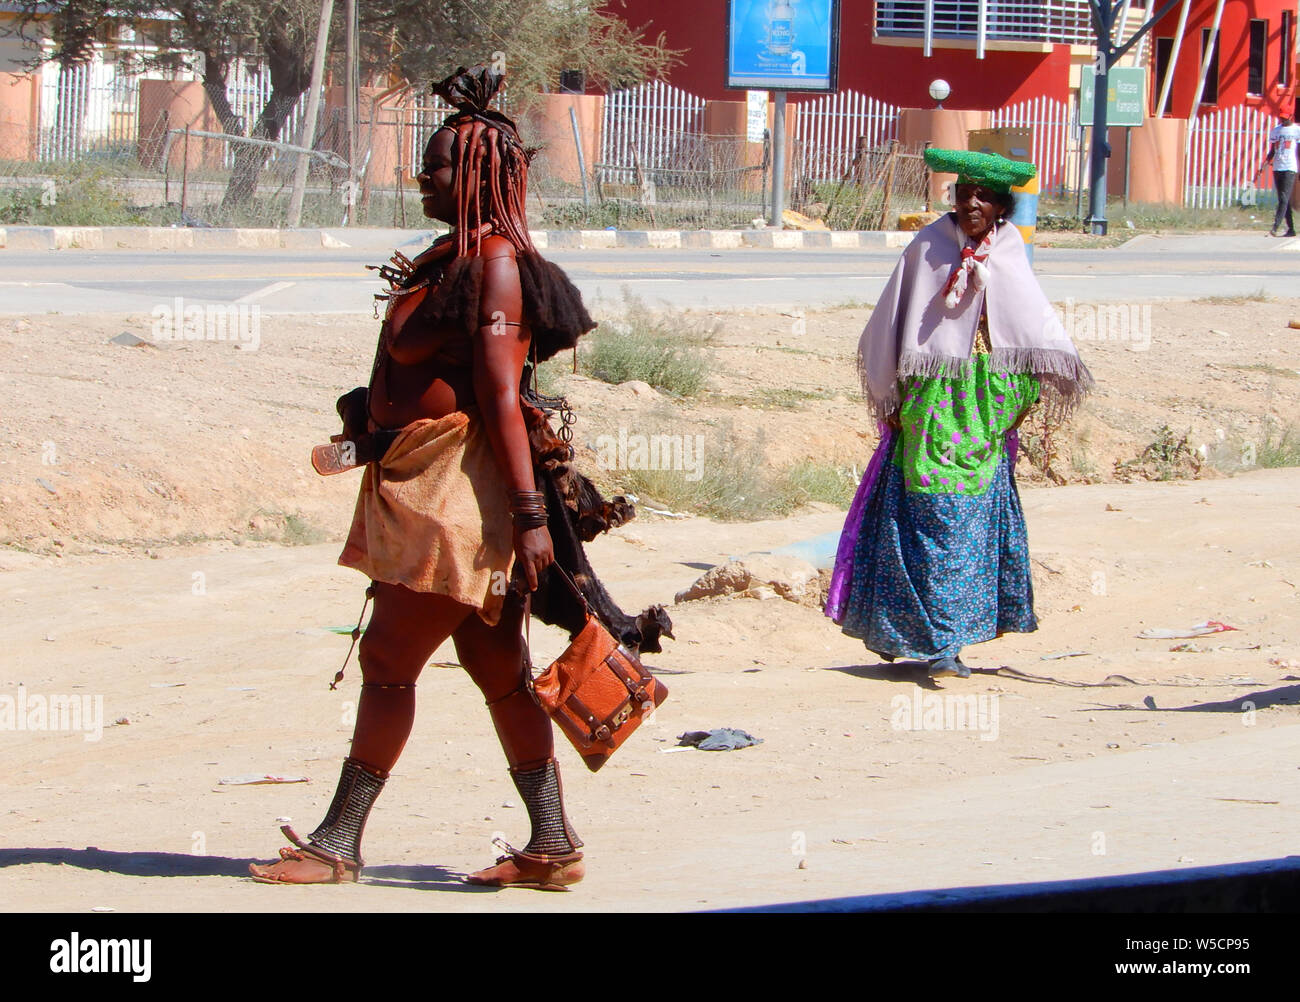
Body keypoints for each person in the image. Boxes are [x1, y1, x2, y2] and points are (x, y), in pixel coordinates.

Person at [247, 65, 598, 890]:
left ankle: (338, 842)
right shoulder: (451, 256)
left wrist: (529, 518)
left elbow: (505, 400)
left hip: (459, 496)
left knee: (387, 662)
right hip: (419, 478)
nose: (421, 177)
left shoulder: (498, 266)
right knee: (495, 666)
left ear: (474, 173)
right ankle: (552, 845)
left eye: (436, 165)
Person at [825, 149, 1093, 679]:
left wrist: (1022, 400)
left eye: (986, 196)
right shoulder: (926, 247)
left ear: (1001, 206)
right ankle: (933, 639)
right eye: (966, 192)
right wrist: (894, 397)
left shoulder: (1010, 251)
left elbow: (1032, 328)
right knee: (930, 515)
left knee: (969, 521)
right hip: (931, 403)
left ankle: (941, 636)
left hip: (988, 409)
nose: (973, 202)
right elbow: (889, 324)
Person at [1265, 111, 1300, 237]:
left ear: (1291, 117)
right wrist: (1265, 163)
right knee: (1283, 200)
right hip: (1277, 167)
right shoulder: (1276, 131)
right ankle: (1291, 229)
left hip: (1290, 167)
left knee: (1284, 199)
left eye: (1285, 118)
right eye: (1281, 118)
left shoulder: (1297, 130)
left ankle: (1275, 227)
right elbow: (1272, 150)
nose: (1282, 120)